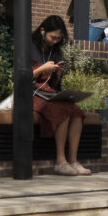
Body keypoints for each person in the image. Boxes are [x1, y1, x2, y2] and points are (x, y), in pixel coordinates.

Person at [30, 15, 89, 175]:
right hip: (30, 93)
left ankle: (73, 160)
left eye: (59, 38)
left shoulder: (54, 50)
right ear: (43, 31)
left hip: (48, 92)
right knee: (62, 109)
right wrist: (41, 69)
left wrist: (57, 74)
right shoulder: (29, 45)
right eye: (53, 37)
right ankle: (60, 161)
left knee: (77, 112)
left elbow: (54, 85)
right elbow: (20, 76)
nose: (55, 41)